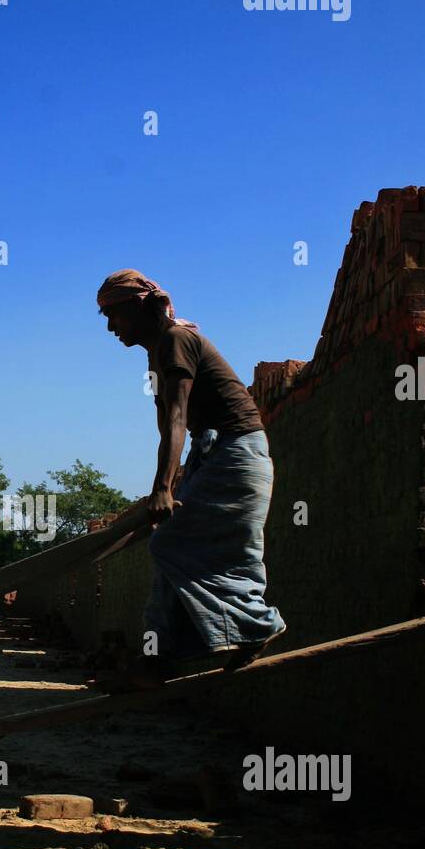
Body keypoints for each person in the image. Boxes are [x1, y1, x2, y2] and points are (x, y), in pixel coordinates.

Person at [96, 268, 285, 683]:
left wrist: (164, 487)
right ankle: (157, 659)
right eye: (104, 317)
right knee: (171, 549)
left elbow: (179, 418)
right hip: (216, 453)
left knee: (174, 544)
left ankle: (254, 628)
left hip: (237, 453)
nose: (110, 326)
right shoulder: (157, 352)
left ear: (140, 305)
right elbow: (167, 428)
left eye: (114, 314)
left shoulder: (176, 340)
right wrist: (161, 491)